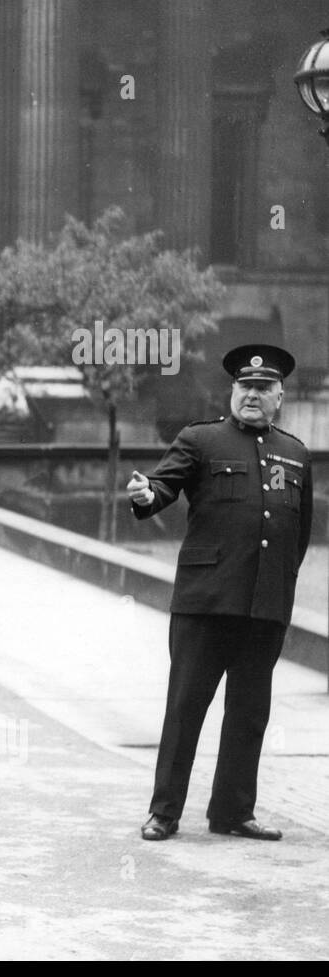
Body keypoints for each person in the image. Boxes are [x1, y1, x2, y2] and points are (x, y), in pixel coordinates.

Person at [129, 344, 312, 843]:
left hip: (264, 608)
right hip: (205, 604)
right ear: (233, 391)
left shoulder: (294, 453)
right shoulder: (201, 439)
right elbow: (162, 486)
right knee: (186, 707)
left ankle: (232, 812)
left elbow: (299, 534)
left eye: (263, 388)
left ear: (279, 396)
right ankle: (164, 812)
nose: (252, 395)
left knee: (250, 714)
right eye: (244, 387)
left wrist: (280, 591)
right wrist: (147, 496)